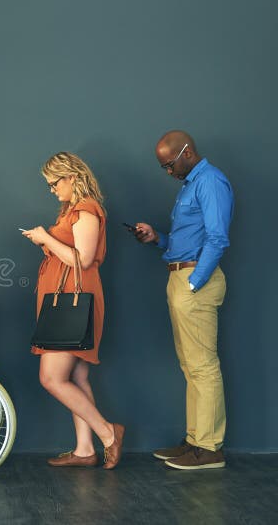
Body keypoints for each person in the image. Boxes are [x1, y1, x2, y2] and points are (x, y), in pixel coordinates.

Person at [133, 130, 233, 470]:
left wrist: (193, 283)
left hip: (195, 283)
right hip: (181, 276)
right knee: (191, 366)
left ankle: (209, 448)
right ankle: (194, 441)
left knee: (203, 367)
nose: (168, 172)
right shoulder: (191, 184)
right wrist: (157, 238)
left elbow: (217, 239)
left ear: (186, 152)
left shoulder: (211, 181)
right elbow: (187, 239)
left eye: (169, 164)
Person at [22, 152, 124, 469]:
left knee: (52, 378)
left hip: (73, 304)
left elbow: (82, 259)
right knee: (77, 376)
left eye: (55, 183)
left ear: (73, 178)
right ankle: (84, 450)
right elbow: (68, 253)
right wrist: (46, 242)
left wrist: (44, 237)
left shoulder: (86, 210)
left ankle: (108, 433)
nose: (53, 190)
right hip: (64, 302)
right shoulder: (71, 211)